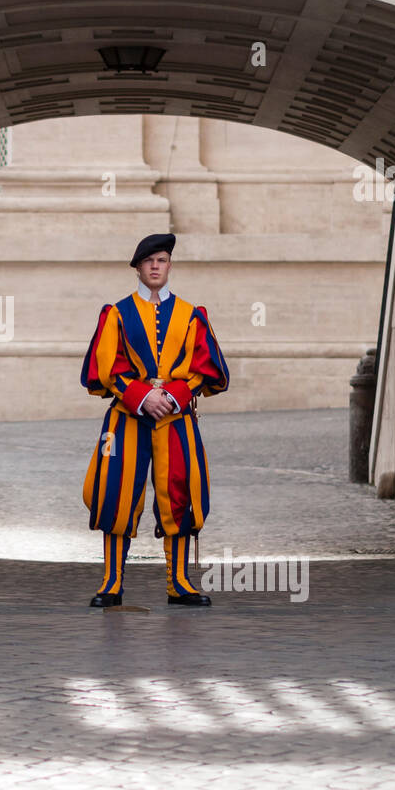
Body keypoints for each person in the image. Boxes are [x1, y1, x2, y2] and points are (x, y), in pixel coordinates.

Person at [80, 233, 230, 608]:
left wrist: (173, 397)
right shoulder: (116, 314)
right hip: (126, 418)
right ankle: (111, 582)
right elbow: (106, 367)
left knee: (180, 492)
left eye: (162, 260)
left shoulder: (191, 314)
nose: (155, 266)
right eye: (149, 261)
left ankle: (179, 583)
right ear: (138, 267)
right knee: (115, 494)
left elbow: (204, 367)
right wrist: (142, 396)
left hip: (176, 419)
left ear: (169, 265)